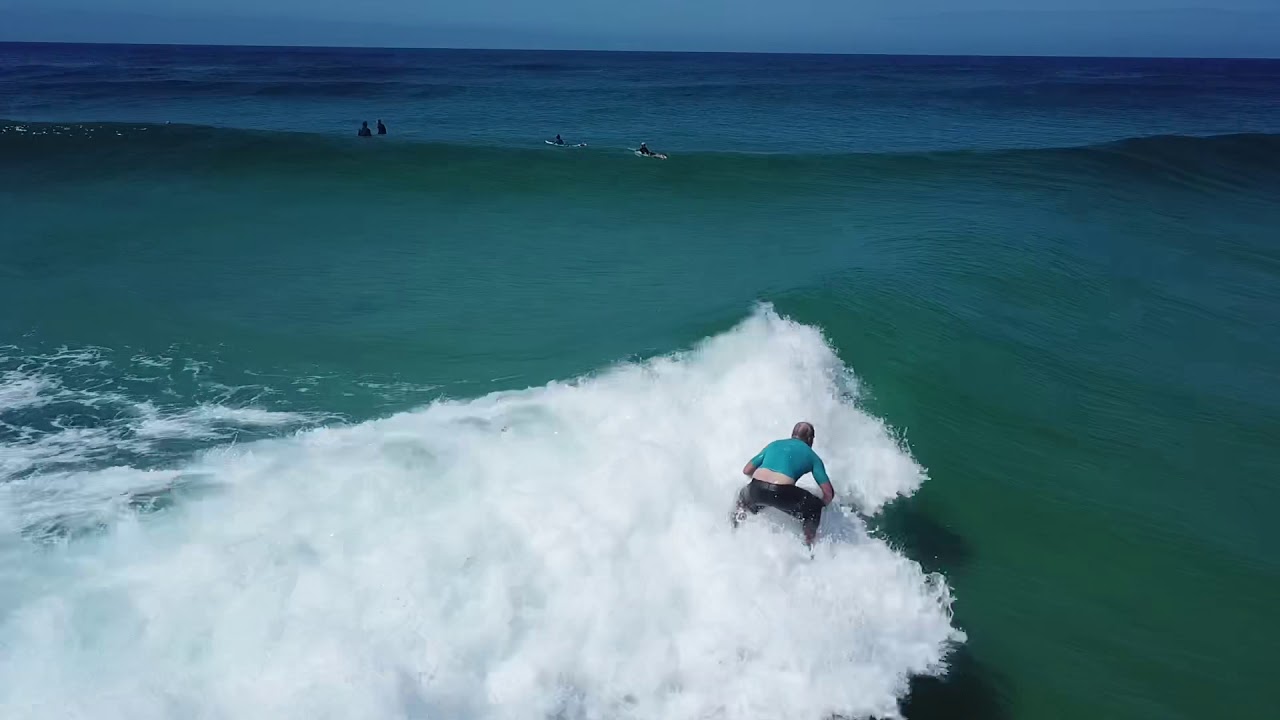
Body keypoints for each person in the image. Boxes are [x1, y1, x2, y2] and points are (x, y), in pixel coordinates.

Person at [733, 421, 835, 547]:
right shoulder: (812, 456)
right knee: (813, 508)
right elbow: (828, 492)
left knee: (742, 498)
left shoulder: (774, 445)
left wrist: (762, 486)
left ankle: (734, 531)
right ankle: (810, 547)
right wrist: (822, 505)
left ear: (792, 434)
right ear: (810, 439)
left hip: (757, 489)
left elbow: (747, 470)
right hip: (782, 492)